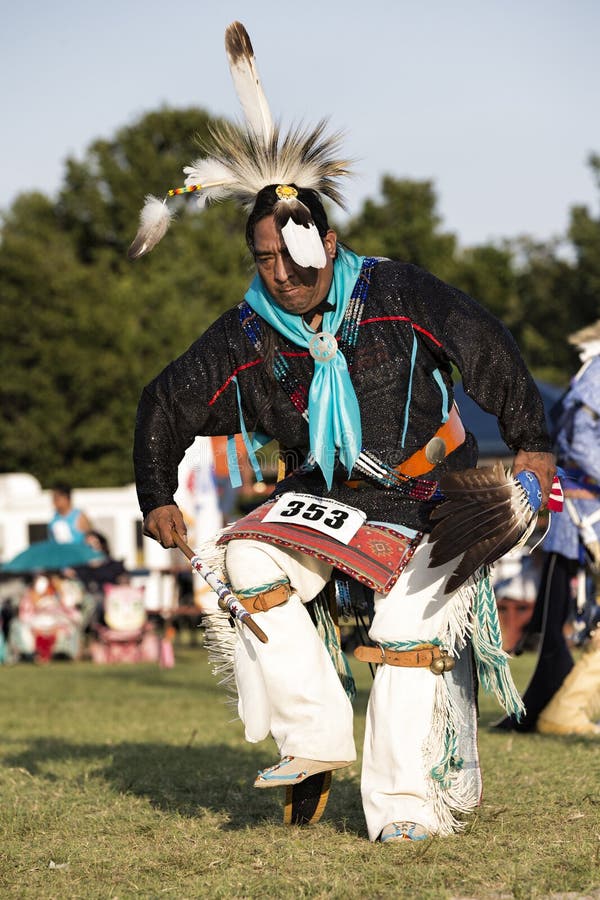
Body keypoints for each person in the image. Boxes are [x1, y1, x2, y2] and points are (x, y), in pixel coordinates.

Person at [130, 22, 555, 842]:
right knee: (242, 556)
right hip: (325, 497)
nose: (281, 275)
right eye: (264, 260)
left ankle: (404, 810)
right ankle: (316, 736)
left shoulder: (396, 292)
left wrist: (532, 443)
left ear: (328, 241)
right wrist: (155, 492)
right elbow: (166, 400)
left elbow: (485, 343)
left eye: (294, 256)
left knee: (403, 630)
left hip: (433, 497)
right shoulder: (247, 334)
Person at [495, 320, 600, 736]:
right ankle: (547, 708)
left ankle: (541, 708)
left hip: (582, 509)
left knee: (558, 615)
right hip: (581, 513)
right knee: (556, 615)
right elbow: (577, 436)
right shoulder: (597, 371)